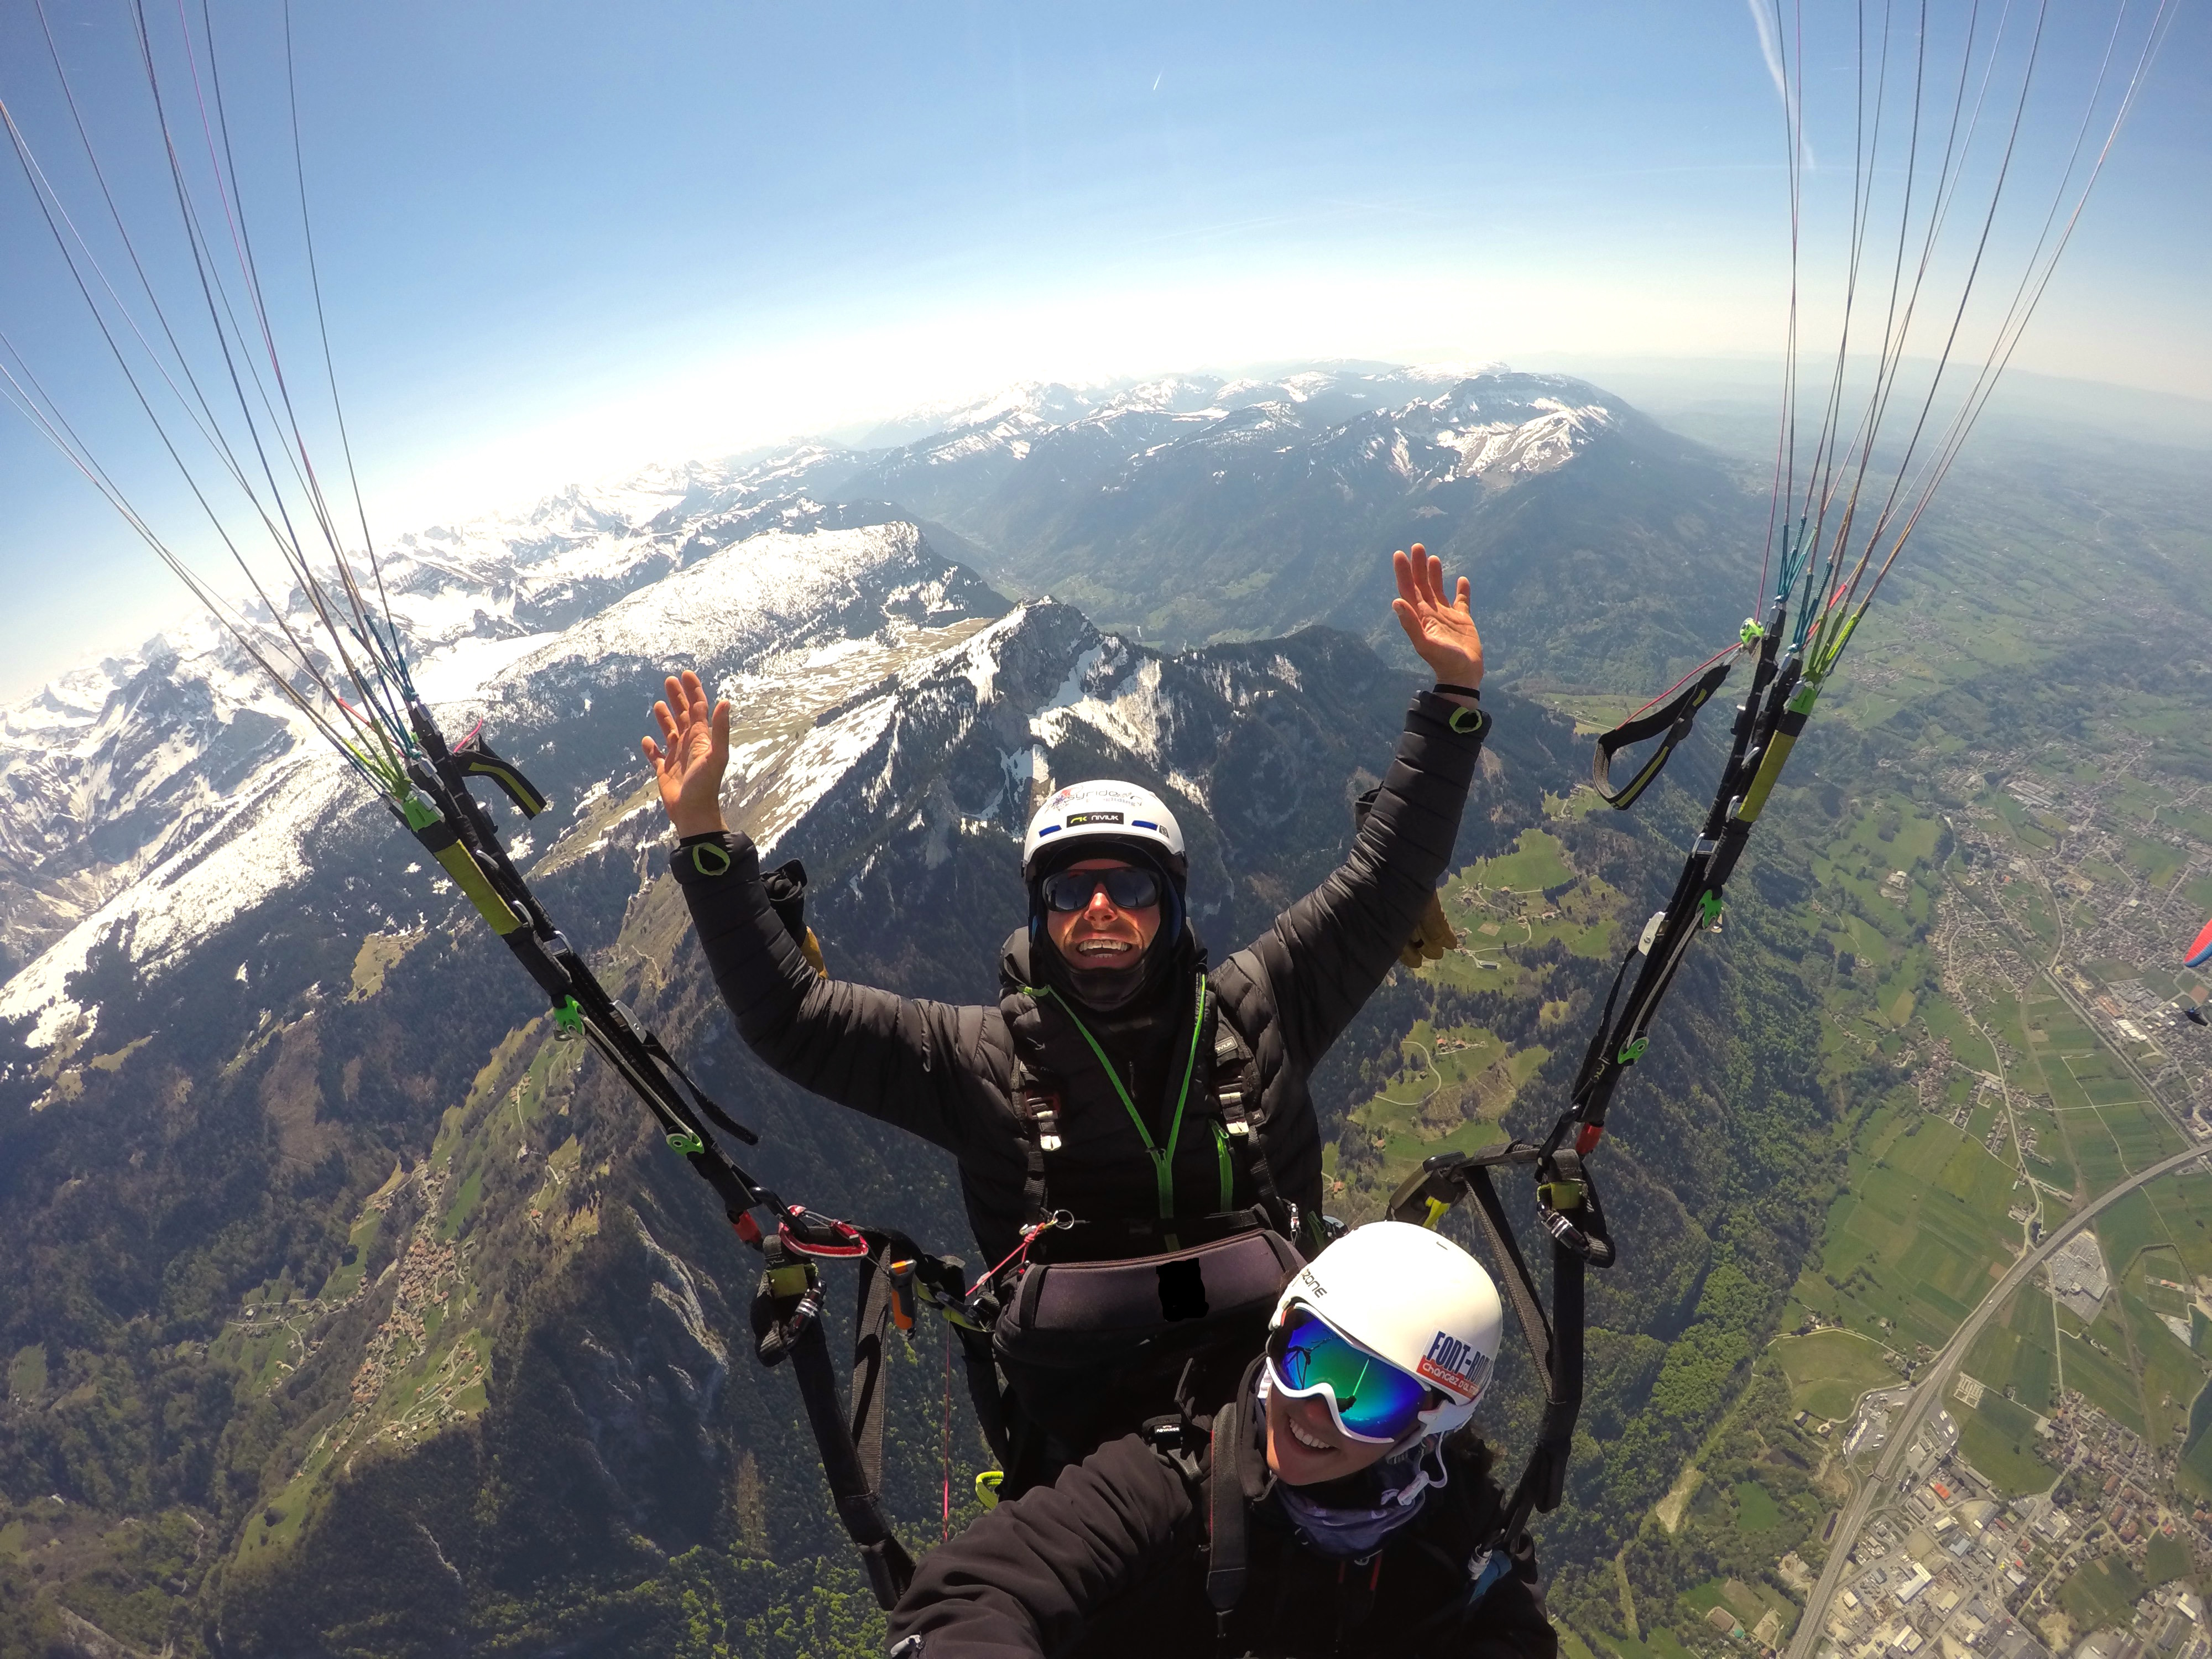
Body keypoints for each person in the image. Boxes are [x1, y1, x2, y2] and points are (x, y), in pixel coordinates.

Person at [643, 545, 1494, 1479]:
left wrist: (1451, 704)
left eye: (1128, 884)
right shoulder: (977, 1061)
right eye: (1069, 891)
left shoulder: (1263, 1005)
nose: (1099, 909)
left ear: (1171, 907)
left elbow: (1385, 881)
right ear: (1039, 918)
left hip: (1292, 1408)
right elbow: (795, 1020)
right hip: (1091, 1452)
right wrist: (704, 841)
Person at [884, 1221, 1559, 1659]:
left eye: (1370, 1398)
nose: (1315, 1407)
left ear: (1431, 1425)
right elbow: (971, 1591)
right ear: (1278, 1330)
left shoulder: (1456, 1522)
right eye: (1307, 1356)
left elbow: (1515, 1636)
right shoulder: (1172, 1477)